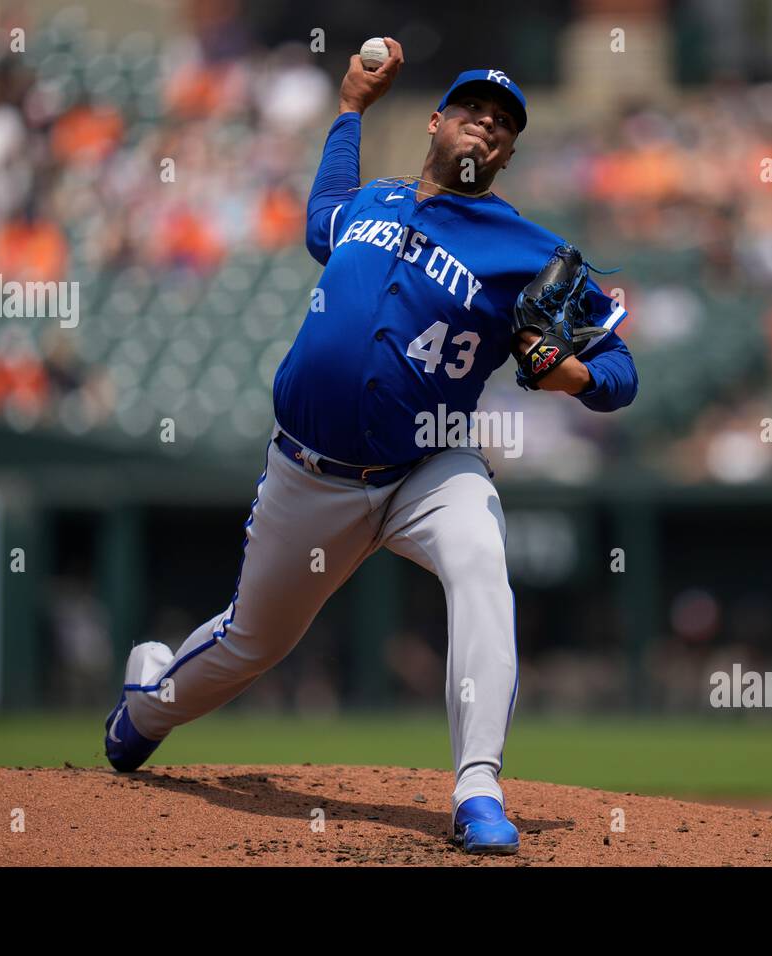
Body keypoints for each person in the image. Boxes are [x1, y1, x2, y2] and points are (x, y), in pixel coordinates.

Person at [104, 39, 639, 855]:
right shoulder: (374, 204)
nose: (485, 129)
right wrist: (350, 110)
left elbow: (621, 370)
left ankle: (478, 789)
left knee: (480, 560)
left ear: (509, 153)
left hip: (428, 467)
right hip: (309, 474)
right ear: (437, 121)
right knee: (254, 643)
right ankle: (144, 709)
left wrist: (567, 372)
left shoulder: (526, 249)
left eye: (502, 126)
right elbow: (323, 215)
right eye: (472, 112)